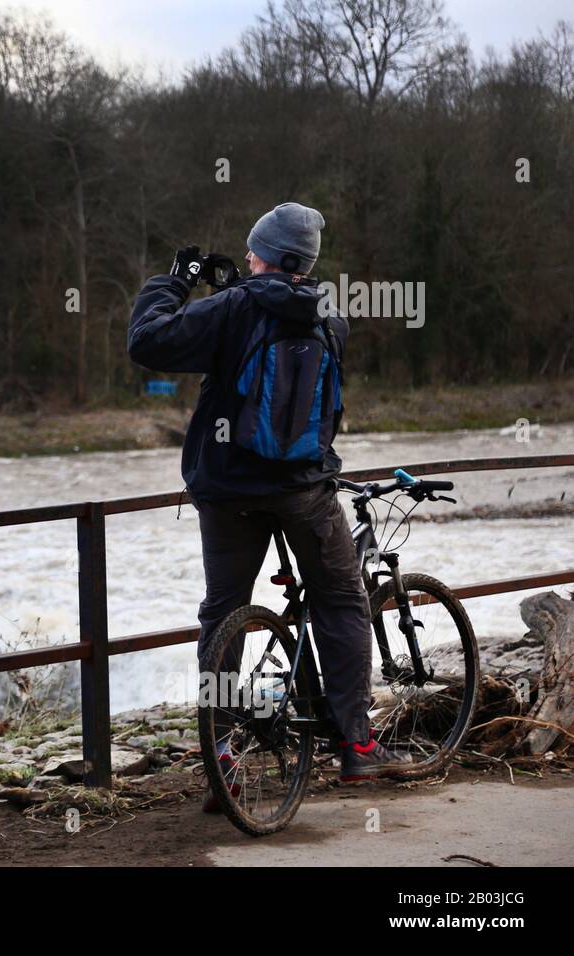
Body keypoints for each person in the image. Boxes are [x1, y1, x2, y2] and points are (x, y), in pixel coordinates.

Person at [126, 202, 404, 809]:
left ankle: (222, 754)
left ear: (267, 255)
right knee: (341, 601)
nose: (247, 259)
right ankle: (357, 747)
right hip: (303, 488)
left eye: (253, 251)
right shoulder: (334, 318)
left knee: (224, 610)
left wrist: (177, 279)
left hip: (226, 490)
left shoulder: (231, 307)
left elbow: (148, 342)